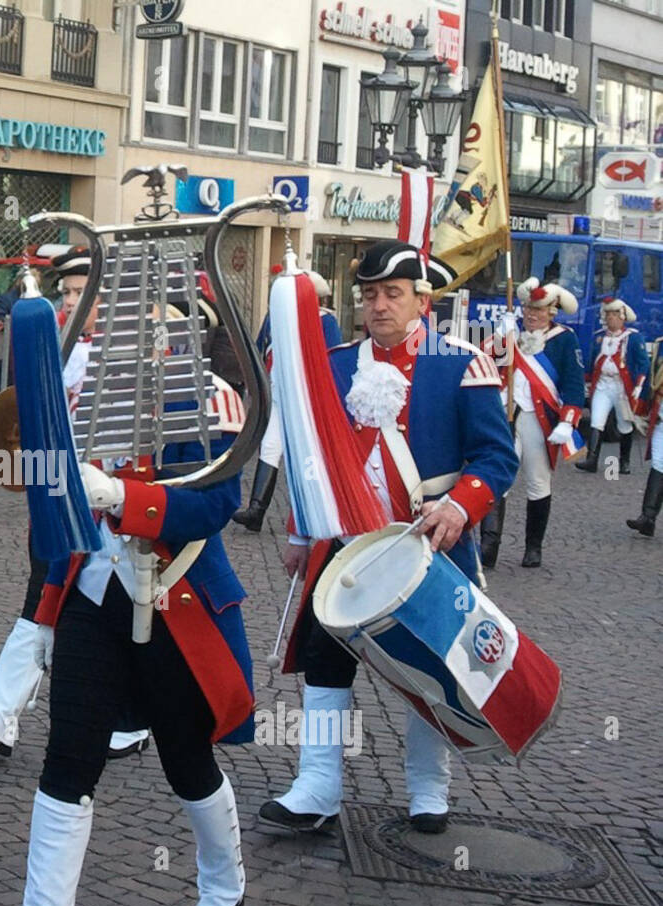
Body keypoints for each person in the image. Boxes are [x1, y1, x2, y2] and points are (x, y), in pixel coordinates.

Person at [9, 255, 257, 906]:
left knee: (186, 755)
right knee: (69, 758)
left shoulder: (208, 396)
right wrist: (50, 607)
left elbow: (214, 505)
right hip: (93, 595)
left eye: (131, 312)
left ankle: (223, 885)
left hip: (178, 598)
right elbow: (62, 507)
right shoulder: (82, 395)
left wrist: (124, 497)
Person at [259, 240, 518, 836]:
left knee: (427, 666)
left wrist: (460, 505)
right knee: (326, 662)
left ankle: (429, 788)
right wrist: (301, 530)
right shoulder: (337, 362)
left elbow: (495, 459)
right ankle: (317, 788)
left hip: (426, 545)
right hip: (346, 543)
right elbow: (313, 459)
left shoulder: (460, 362)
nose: (379, 305)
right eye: (370, 295)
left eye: (392, 294)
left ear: (421, 301)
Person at [0, 246, 149, 761]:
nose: (71, 302)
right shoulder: (59, 348)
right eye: (67, 292)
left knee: (129, 610)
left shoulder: (138, 353)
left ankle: (133, 718)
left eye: (84, 293)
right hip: (62, 497)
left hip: (121, 502)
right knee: (43, 599)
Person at [479, 277, 584, 569]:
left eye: (538, 311)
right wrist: (501, 335)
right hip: (506, 415)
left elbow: (574, 385)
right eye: (527, 309)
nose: (531, 315)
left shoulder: (564, 340)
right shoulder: (513, 333)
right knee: (498, 479)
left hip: (539, 420)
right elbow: (481, 362)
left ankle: (533, 547)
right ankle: (489, 547)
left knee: (538, 482)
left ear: (551, 312)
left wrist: (568, 422)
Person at [234, 270, 342, 532]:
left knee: (309, 455)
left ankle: (317, 513)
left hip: (308, 395)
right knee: (270, 446)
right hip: (278, 391)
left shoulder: (325, 322)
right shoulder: (275, 317)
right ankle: (256, 511)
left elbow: (333, 360)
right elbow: (260, 349)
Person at [578, 297, 648, 474]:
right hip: (602, 384)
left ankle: (623, 462)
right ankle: (591, 459)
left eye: (614, 315)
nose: (610, 319)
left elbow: (643, 363)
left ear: (622, 317)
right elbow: (592, 361)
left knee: (624, 424)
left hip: (622, 387)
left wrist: (638, 386)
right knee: (597, 421)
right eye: (608, 315)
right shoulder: (599, 337)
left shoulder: (632, 338)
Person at [626, 340, 663, 535]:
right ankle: (647, 518)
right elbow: (651, 378)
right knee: (658, 464)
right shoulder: (661, 345)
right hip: (660, 414)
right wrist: (642, 409)